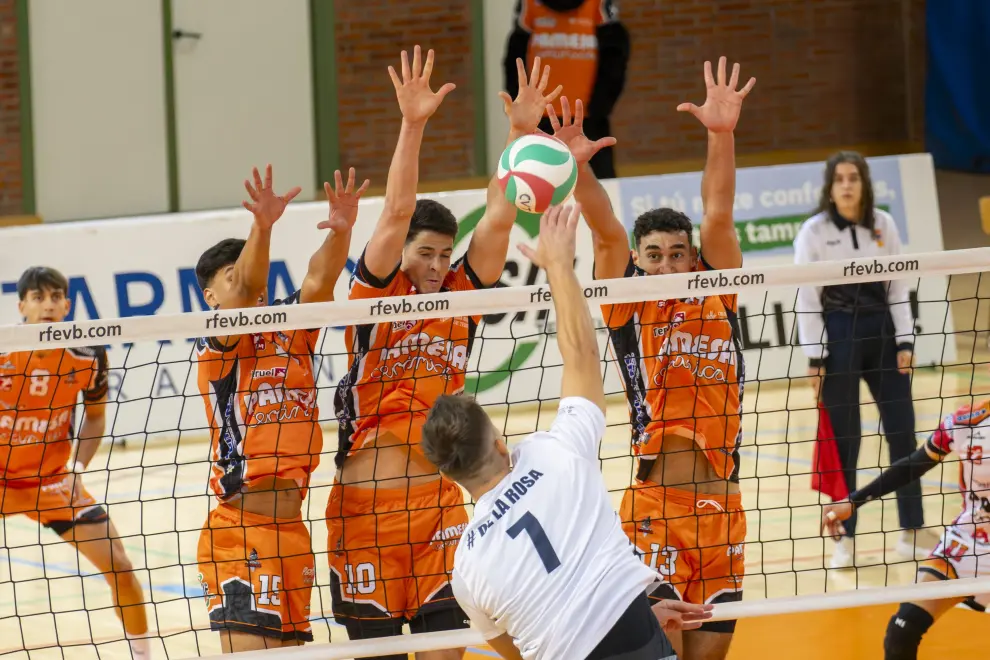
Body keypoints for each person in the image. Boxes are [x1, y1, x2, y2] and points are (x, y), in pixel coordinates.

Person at [327, 47, 559, 660]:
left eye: (442, 254)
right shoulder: (373, 290)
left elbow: (501, 214)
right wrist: (413, 123)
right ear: (402, 250)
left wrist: (520, 135)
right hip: (365, 512)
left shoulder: (460, 292)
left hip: (437, 508)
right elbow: (398, 210)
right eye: (424, 252)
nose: (434, 265)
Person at [421, 204, 713, 660]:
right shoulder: (552, 454)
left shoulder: (466, 569)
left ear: (449, 476)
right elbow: (580, 352)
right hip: (635, 638)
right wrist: (559, 265)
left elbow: (522, 652)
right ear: (500, 444)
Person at [550, 57, 754, 660]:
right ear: (638, 263)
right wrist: (577, 168)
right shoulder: (626, 306)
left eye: (677, 254)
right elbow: (605, 230)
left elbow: (717, 212)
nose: (666, 265)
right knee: (659, 655)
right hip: (652, 510)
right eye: (654, 255)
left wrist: (721, 134)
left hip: (725, 509)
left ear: (695, 260)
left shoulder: (718, 290)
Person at [194, 164, 366, 653]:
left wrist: (342, 232)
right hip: (238, 531)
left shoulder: (293, 329)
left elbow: (319, 279)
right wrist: (263, 227)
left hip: (293, 531)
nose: (252, 282)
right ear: (211, 297)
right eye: (234, 276)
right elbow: (246, 295)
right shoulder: (218, 344)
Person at [0, 267, 150, 659]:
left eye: (54, 298)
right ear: (22, 306)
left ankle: (143, 654)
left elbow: (95, 417)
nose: (47, 305)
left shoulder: (87, 353)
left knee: (121, 566)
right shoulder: (2, 348)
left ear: (66, 305)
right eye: (38, 298)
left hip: (51, 483)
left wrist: (77, 470)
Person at [795, 151, 931, 568]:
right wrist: (815, 358)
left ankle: (911, 530)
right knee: (845, 442)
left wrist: (905, 341)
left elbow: (897, 288)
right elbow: (806, 299)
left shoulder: (883, 224)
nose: (847, 185)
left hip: (883, 336)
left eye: (854, 177)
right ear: (830, 188)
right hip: (839, 337)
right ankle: (844, 540)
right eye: (839, 179)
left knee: (904, 435)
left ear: (864, 183)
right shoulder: (813, 232)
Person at [821, 399, 989, 660]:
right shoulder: (966, 423)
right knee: (901, 631)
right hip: (970, 542)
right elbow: (915, 464)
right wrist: (854, 500)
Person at [504, 0, 630, 179]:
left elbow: (614, 50)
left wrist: (601, 104)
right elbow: (516, 54)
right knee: (537, 186)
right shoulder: (530, 4)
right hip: (542, 117)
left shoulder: (598, 4)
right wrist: (520, 102)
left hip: (585, 117)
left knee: (597, 185)